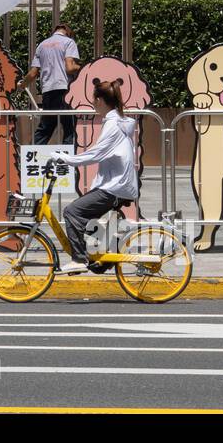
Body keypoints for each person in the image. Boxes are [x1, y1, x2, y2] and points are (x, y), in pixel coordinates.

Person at [50, 78, 138, 274]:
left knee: (72, 212)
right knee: (85, 218)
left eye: (93, 99)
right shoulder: (117, 121)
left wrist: (66, 159)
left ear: (99, 100)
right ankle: (111, 245)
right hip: (117, 185)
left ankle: (79, 259)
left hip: (115, 187)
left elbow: (95, 154)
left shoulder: (113, 125)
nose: (92, 104)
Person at [23, 23, 81, 146]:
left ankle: (30, 158)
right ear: (68, 32)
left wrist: (23, 84)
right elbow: (70, 68)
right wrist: (82, 67)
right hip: (65, 91)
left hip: (48, 91)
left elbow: (33, 73)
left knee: (45, 128)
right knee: (69, 129)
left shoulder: (42, 45)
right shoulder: (69, 42)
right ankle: (67, 163)